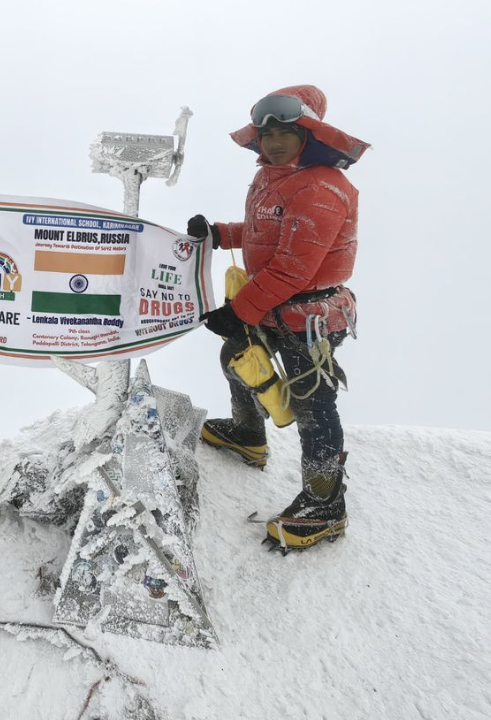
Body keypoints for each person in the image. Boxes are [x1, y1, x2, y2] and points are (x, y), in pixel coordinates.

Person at [188, 85, 370, 552]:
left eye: (286, 131)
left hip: (310, 316)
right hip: (274, 305)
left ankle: (326, 504)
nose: (273, 142)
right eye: (266, 134)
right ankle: (249, 434)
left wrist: (238, 310)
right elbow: (265, 231)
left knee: (313, 406)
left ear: (309, 132)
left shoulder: (323, 186)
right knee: (237, 356)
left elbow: (295, 266)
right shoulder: (272, 178)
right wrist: (220, 234)